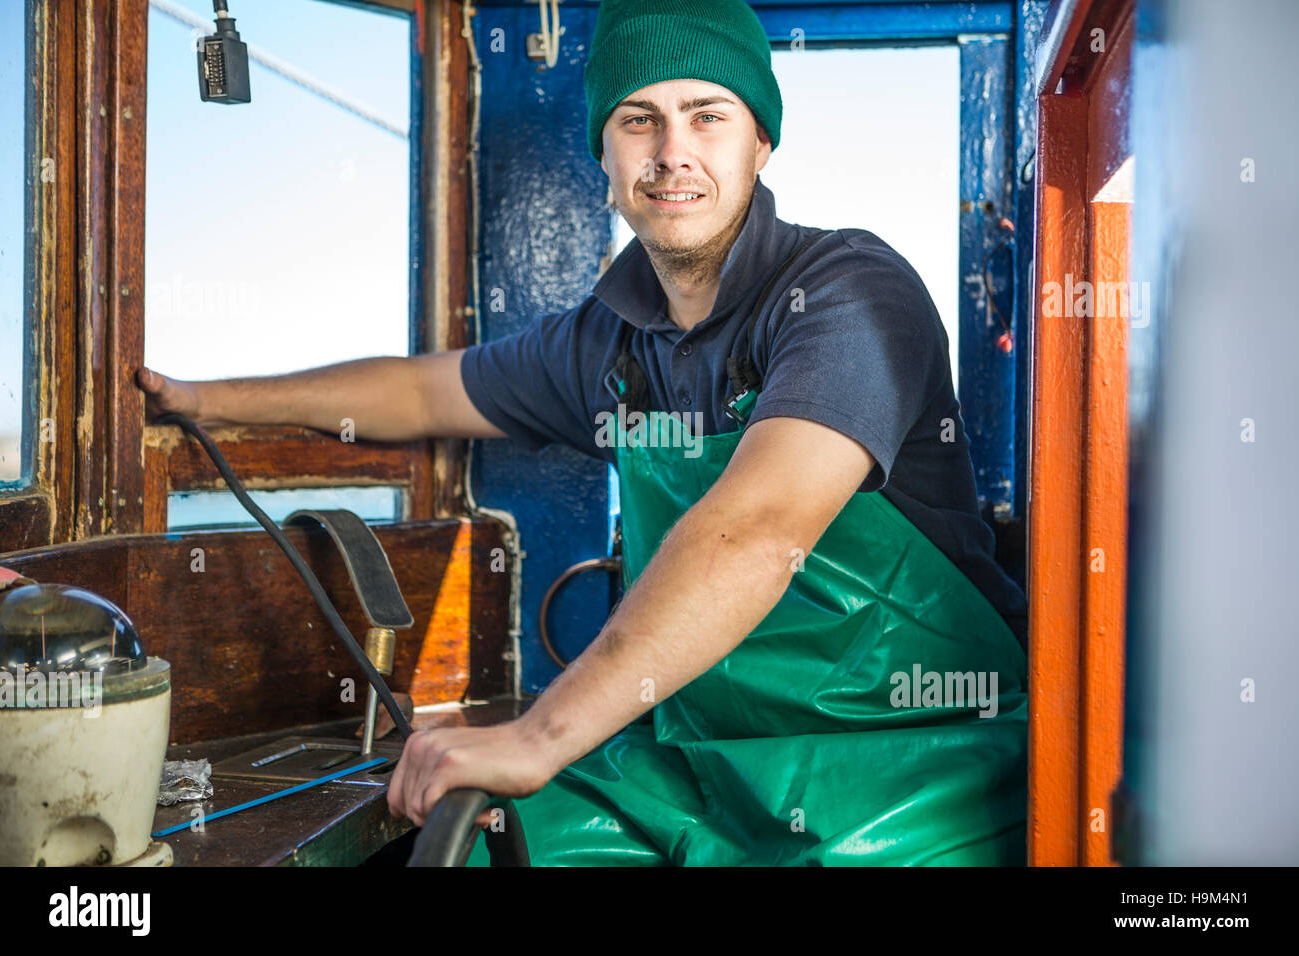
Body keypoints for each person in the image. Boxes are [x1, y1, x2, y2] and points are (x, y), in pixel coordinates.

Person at [138, 0, 1029, 865]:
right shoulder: (603, 343)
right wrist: (206, 400)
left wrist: (540, 736)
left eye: (706, 115)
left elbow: (758, 530)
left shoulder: (850, 290)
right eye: (639, 120)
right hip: (693, 763)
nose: (672, 152)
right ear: (603, 150)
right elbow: (419, 391)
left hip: (911, 760)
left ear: (761, 142)